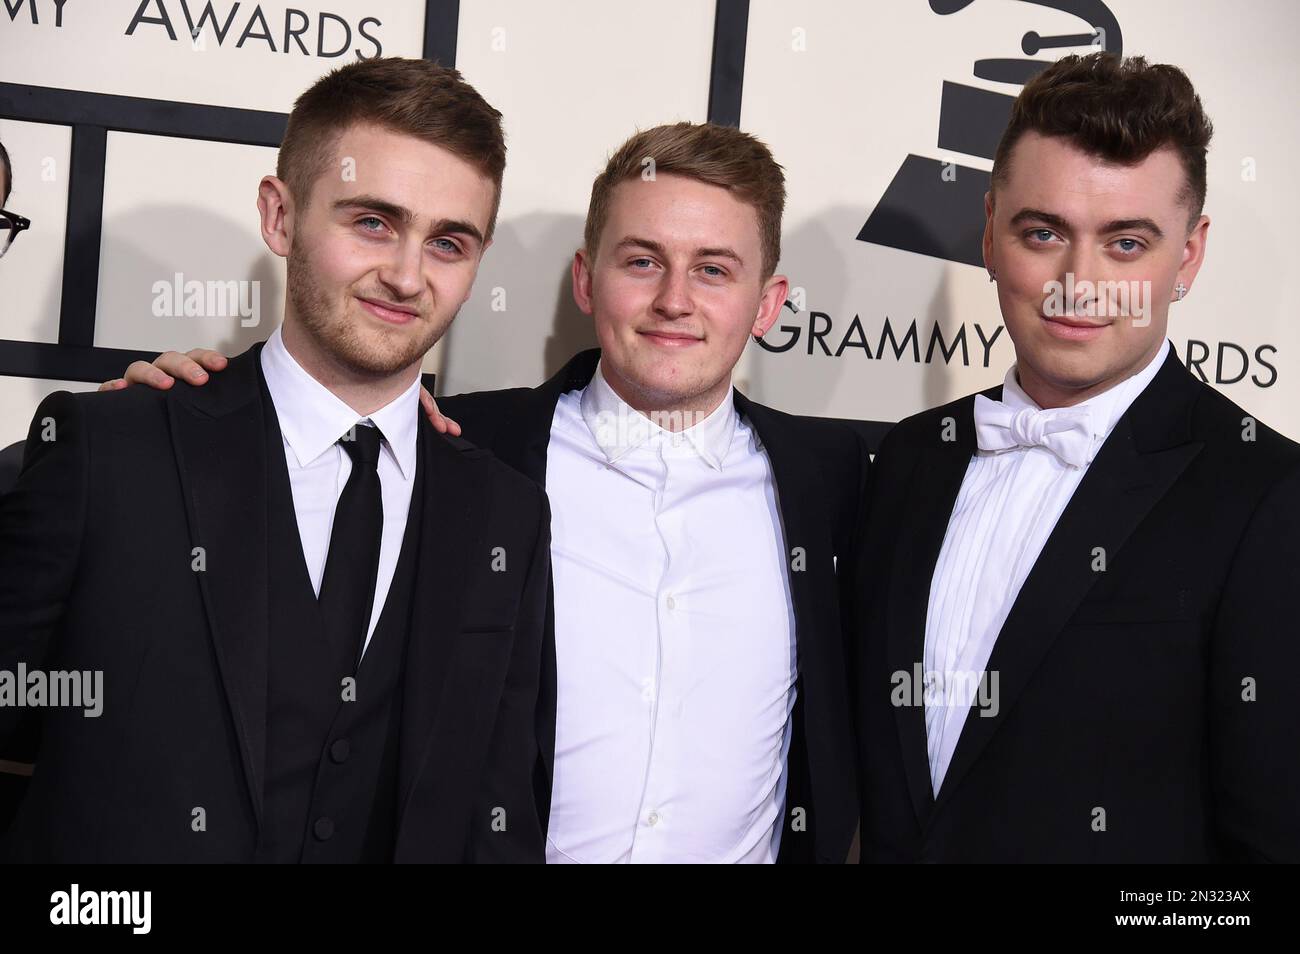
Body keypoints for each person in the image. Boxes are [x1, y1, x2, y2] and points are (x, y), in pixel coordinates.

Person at [112, 122, 868, 864]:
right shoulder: (455, 452)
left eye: (713, 269)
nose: (675, 299)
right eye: (641, 261)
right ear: (585, 278)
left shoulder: (834, 482)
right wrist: (190, 416)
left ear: (768, 305)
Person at [0, 57, 552, 863]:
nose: (405, 276)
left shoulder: (505, 513)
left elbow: (497, 811)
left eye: (448, 242)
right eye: (372, 222)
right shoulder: (113, 450)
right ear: (280, 217)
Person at [850, 52, 1300, 862]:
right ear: (988, 232)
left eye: (1127, 243)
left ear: (1188, 258)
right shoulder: (912, 459)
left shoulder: (1271, 496)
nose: (1080, 283)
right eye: (1043, 232)